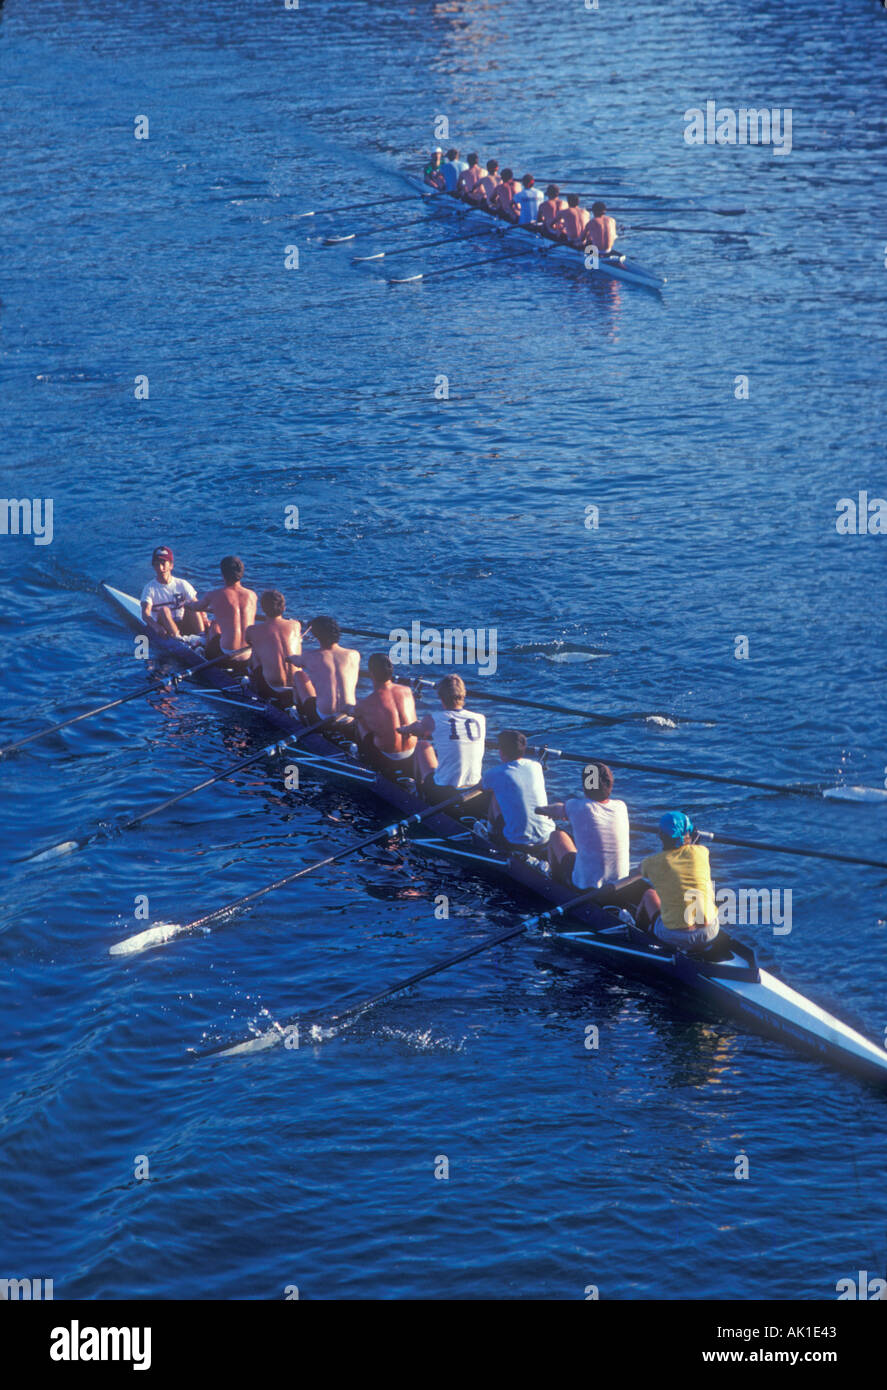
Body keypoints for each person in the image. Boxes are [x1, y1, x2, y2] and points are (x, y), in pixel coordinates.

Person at [539, 761, 631, 892]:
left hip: (585, 885)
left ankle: (555, 881)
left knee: (556, 835)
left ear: (585, 787)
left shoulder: (577, 806)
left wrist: (539, 810)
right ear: (610, 785)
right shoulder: (621, 806)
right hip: (619, 884)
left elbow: (554, 810)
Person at [397, 674, 487, 807]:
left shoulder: (432, 719)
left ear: (440, 697)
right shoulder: (480, 718)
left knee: (422, 745)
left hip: (443, 793)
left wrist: (404, 729)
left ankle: (419, 793)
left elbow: (416, 729)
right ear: (463, 694)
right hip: (474, 790)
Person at [635, 812, 720, 951]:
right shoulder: (702, 852)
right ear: (690, 834)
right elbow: (692, 847)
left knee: (649, 894)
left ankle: (639, 932)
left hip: (675, 936)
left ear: (660, 836)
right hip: (710, 931)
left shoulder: (650, 863)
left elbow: (639, 871)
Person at [481, 729, 555, 854]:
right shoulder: (536, 766)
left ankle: (490, 834)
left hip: (516, 843)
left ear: (501, 751)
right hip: (547, 837)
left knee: (495, 793)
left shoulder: (494, 773)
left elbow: (481, 787)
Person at [354, 653, 418, 781]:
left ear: (371, 673)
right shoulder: (407, 691)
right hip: (412, 750)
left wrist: (346, 707)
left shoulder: (366, 702)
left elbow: (352, 711)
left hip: (387, 755)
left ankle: (361, 758)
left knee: (359, 720)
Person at [286, 615, 361, 724]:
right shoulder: (354, 655)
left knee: (298, 675)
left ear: (316, 636)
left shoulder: (310, 657)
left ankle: (299, 715)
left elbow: (293, 659)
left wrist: (295, 645)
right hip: (349, 716)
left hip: (323, 716)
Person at [188, 556, 257, 666]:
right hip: (248, 652)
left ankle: (202, 650)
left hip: (227, 653)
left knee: (214, 626)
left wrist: (186, 604)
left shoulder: (214, 595)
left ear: (223, 574)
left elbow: (196, 607)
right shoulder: (252, 596)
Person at [246, 590, 303, 708]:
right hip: (296, 686)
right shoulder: (296, 625)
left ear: (263, 608)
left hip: (271, 687)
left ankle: (248, 683)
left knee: (255, 651)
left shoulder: (252, 630)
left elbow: (248, 641)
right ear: (284, 607)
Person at [140, 546, 208, 640]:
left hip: (183, 623)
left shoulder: (182, 584)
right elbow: (145, 614)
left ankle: (202, 637)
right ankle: (179, 639)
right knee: (164, 610)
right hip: (165, 627)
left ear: (171, 565)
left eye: (163, 563)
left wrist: (205, 619)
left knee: (192, 605)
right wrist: (155, 626)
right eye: (156, 564)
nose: (160, 567)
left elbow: (198, 605)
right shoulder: (149, 588)